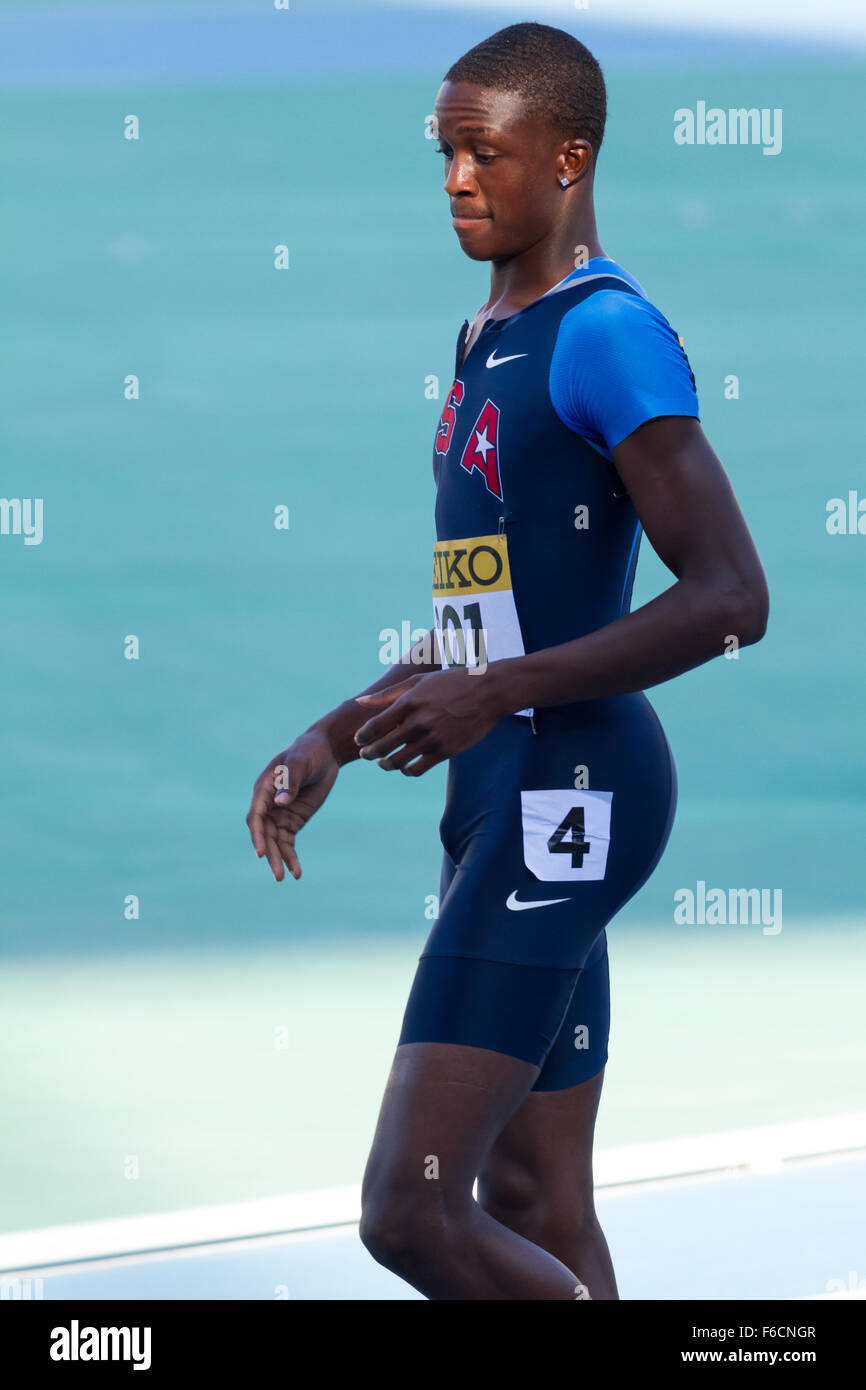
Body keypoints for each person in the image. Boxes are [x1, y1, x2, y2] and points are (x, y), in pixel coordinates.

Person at [247, 22, 768, 1300]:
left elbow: (730, 597)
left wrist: (496, 696)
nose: (455, 180)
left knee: (407, 1214)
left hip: (570, 797)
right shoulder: (488, 336)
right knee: (530, 1203)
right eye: (443, 154)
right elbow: (485, 622)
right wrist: (335, 730)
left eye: (483, 152)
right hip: (497, 797)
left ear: (570, 157)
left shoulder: (604, 336)